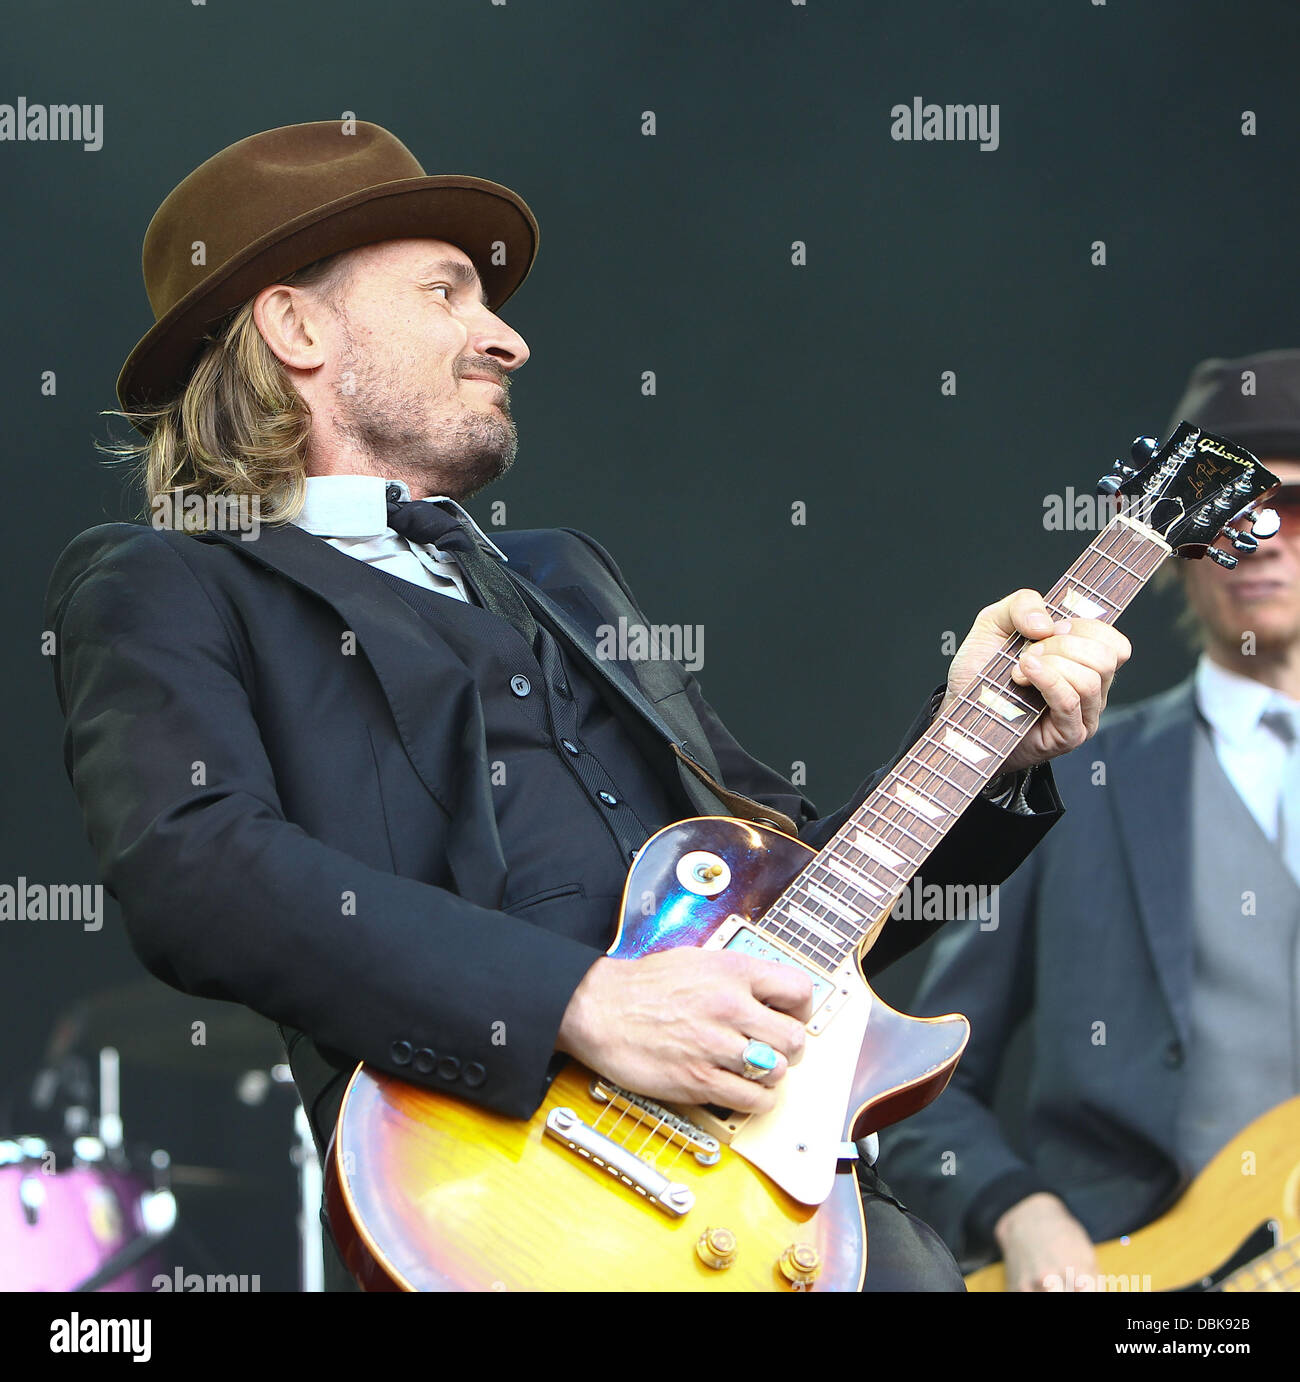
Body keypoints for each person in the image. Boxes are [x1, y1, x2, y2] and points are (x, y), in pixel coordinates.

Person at [43, 119, 1128, 1291]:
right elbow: (197, 866)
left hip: (798, 1214)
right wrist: (577, 1002)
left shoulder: (564, 573)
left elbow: (808, 906)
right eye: (447, 292)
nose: (504, 337)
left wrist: (979, 743)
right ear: (296, 327)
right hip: (509, 1204)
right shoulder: (173, 576)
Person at [879, 349, 1300, 1291]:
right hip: (1131, 1289)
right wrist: (1017, 1213)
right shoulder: (1061, 774)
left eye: (1296, 510)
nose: (1266, 539)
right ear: (1186, 539)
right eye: (1239, 515)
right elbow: (909, 1077)